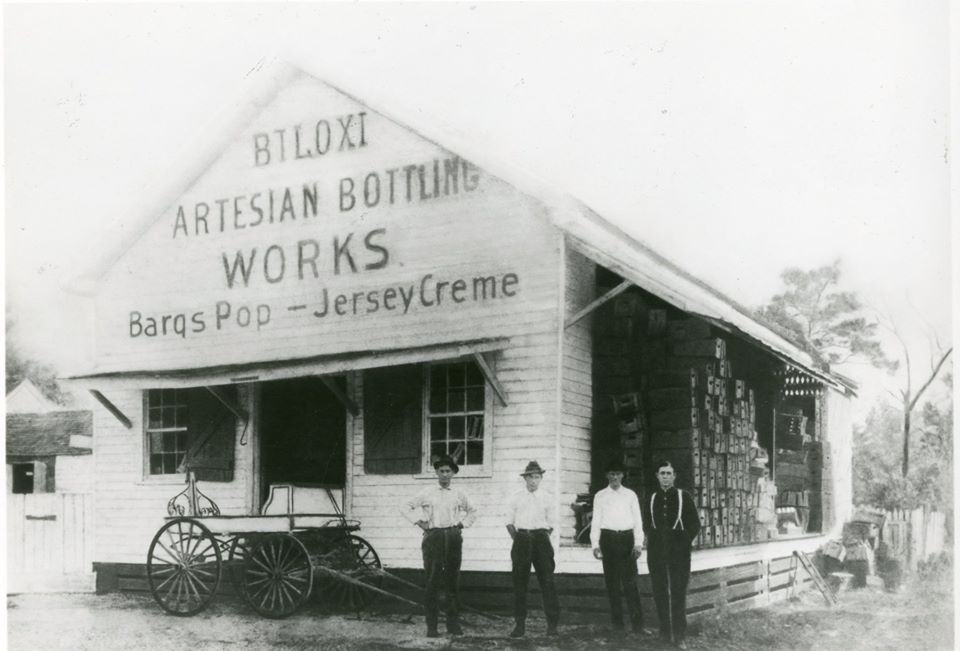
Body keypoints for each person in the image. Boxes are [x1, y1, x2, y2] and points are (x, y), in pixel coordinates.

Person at [401, 455, 478, 638]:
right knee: (432, 582)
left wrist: (461, 525)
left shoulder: (458, 494)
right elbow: (405, 506)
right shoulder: (427, 492)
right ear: (436, 472)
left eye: (448, 471)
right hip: (433, 537)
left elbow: (473, 511)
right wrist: (420, 522)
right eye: (441, 471)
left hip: (452, 537)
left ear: (453, 473)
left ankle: (453, 625)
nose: (445, 475)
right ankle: (432, 627)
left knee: (452, 581)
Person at [642, 459, 701, 649]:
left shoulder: (685, 497)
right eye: (662, 473)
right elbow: (645, 524)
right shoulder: (651, 498)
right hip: (657, 550)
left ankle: (679, 635)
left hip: (679, 551)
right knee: (659, 591)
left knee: (678, 592)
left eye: (669, 473)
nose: (665, 477)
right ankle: (664, 632)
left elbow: (695, 524)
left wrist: (683, 541)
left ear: (674, 476)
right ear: (657, 476)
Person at [590, 459, 649, 635]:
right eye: (612, 474)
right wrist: (595, 545)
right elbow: (596, 522)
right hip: (608, 540)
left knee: (630, 584)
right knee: (612, 584)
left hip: (626, 540)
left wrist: (638, 543)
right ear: (607, 476)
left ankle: (638, 626)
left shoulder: (630, 495)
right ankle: (618, 626)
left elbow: (638, 521)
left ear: (623, 475)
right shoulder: (600, 496)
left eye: (618, 474)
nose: (615, 477)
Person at [504, 460, 560, 638]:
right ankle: (519, 625)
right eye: (530, 477)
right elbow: (509, 522)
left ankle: (552, 625)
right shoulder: (516, 496)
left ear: (541, 478)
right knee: (520, 583)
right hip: (522, 539)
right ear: (525, 478)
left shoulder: (548, 497)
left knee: (548, 582)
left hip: (541, 540)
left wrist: (540, 537)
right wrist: (521, 538)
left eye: (537, 477)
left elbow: (551, 524)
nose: (533, 480)